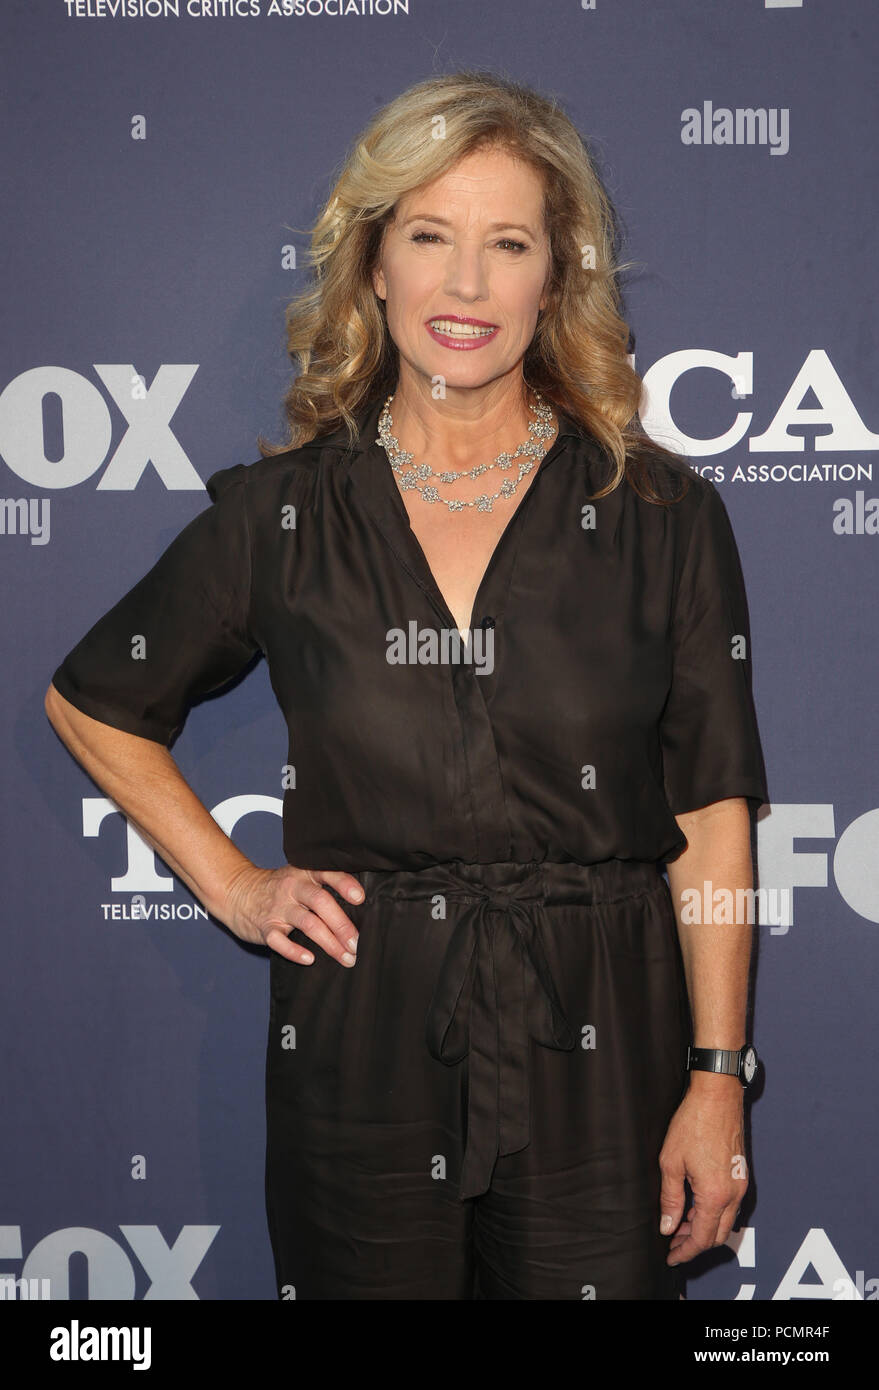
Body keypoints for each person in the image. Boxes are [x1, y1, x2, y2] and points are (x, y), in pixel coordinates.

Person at [45, 70, 768, 1301]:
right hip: (364, 1038)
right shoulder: (284, 516)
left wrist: (714, 1076)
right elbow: (94, 699)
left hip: (604, 1041)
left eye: (508, 244)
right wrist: (234, 883)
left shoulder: (658, 513)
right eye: (430, 237)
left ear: (557, 277)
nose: (468, 286)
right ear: (374, 265)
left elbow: (708, 819)